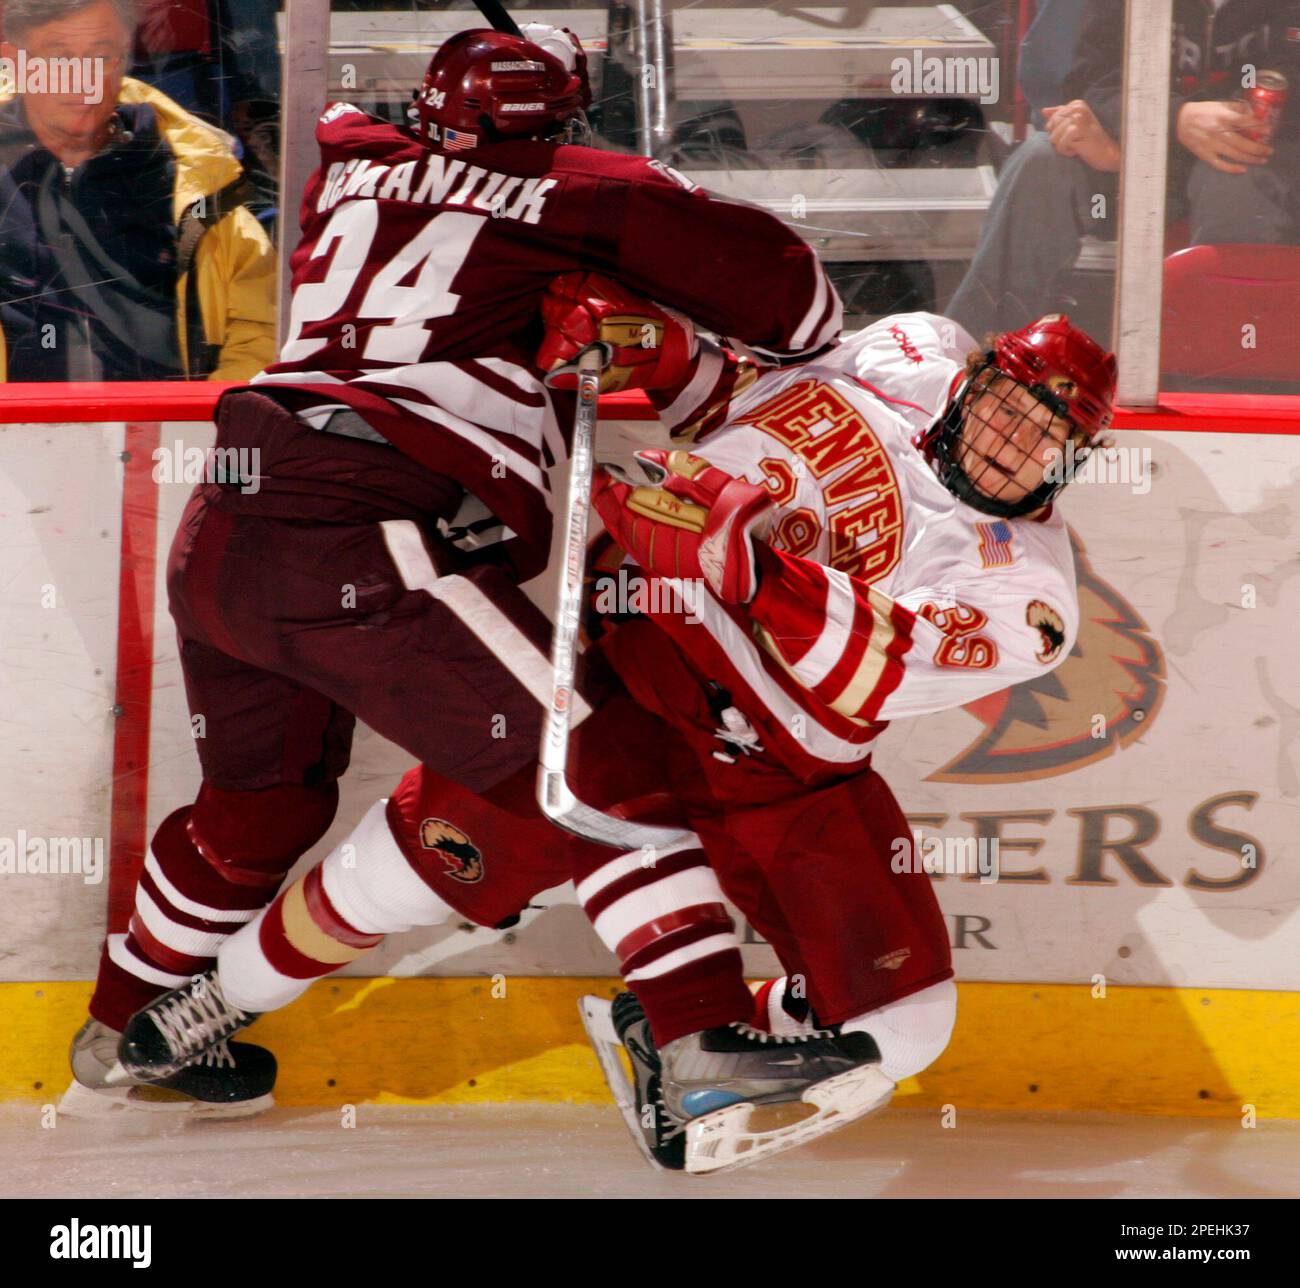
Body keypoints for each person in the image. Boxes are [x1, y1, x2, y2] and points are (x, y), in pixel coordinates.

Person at [113, 295, 1117, 1172]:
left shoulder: (1027, 594)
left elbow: (875, 661)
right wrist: (657, 347)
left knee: (904, 1028)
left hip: (771, 759)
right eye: (1005, 409)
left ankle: (671, 1033)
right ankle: (215, 1002)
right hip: (618, 663)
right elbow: (748, 389)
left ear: (1073, 464)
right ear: (976, 376)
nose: (1007, 445)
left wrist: (741, 557)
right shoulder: (907, 353)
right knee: (407, 869)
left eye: (1042, 442)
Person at [60, 23, 842, 1118]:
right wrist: (623, 229)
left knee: (256, 807)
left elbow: (444, 206)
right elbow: (801, 307)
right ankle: (700, 1026)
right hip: (357, 524)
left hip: (228, 516)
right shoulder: (582, 187)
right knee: (598, 756)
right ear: (559, 125)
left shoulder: (354, 161)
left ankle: (119, 1029)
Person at [947, 0, 1300, 340]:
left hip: (1252, 176)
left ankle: (1226, 377)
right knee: (1043, 160)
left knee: (1232, 184)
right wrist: (1169, 123)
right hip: (1136, 158)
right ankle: (972, 360)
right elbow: (1089, 83)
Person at [0, 0, 276, 380]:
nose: (84, 80)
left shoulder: (197, 181)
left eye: (102, 55)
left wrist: (203, 421)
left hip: (170, 431)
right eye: (57, 57)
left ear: (126, 56)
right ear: (13, 61)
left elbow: (257, 331)